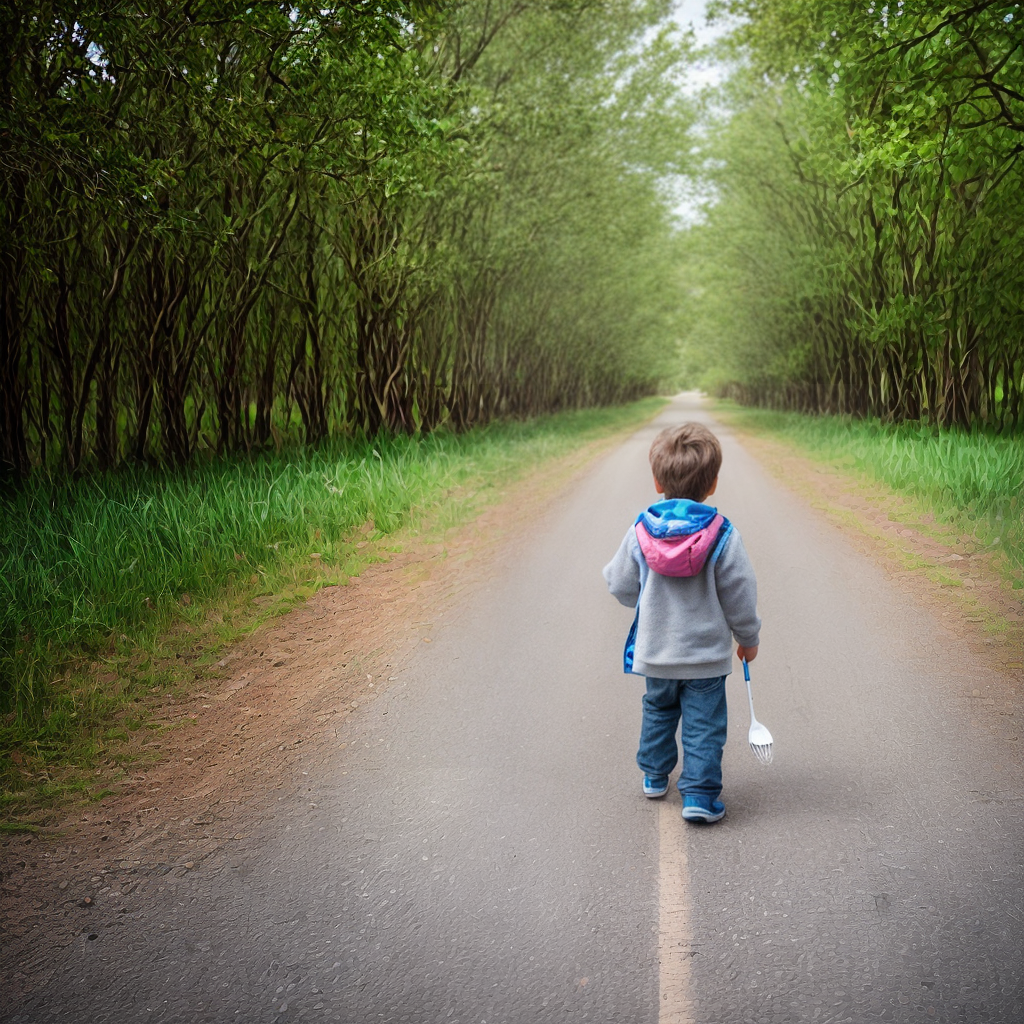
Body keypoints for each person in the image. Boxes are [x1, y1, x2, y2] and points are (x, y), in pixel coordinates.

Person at [602, 422, 761, 824]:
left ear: (657, 481)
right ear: (713, 484)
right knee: (704, 726)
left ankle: (655, 776)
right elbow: (740, 593)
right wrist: (748, 638)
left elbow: (619, 583)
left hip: (656, 652)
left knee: (658, 709)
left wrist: (644, 599)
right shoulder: (723, 535)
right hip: (705, 658)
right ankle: (700, 798)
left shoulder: (641, 531)